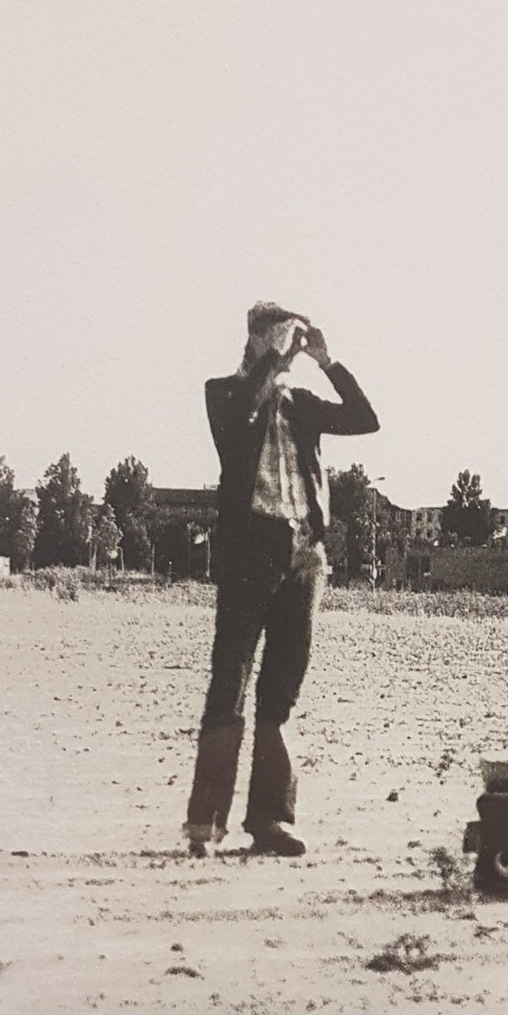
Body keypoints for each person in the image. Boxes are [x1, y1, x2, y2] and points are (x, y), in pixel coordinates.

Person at [184, 302, 379, 857]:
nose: (286, 349)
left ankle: (269, 821)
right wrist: (271, 356)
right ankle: (206, 824)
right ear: (251, 344)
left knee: (280, 695)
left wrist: (326, 360)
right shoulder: (224, 393)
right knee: (230, 686)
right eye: (275, 340)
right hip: (250, 554)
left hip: (304, 556)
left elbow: (365, 418)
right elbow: (241, 416)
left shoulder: (303, 406)